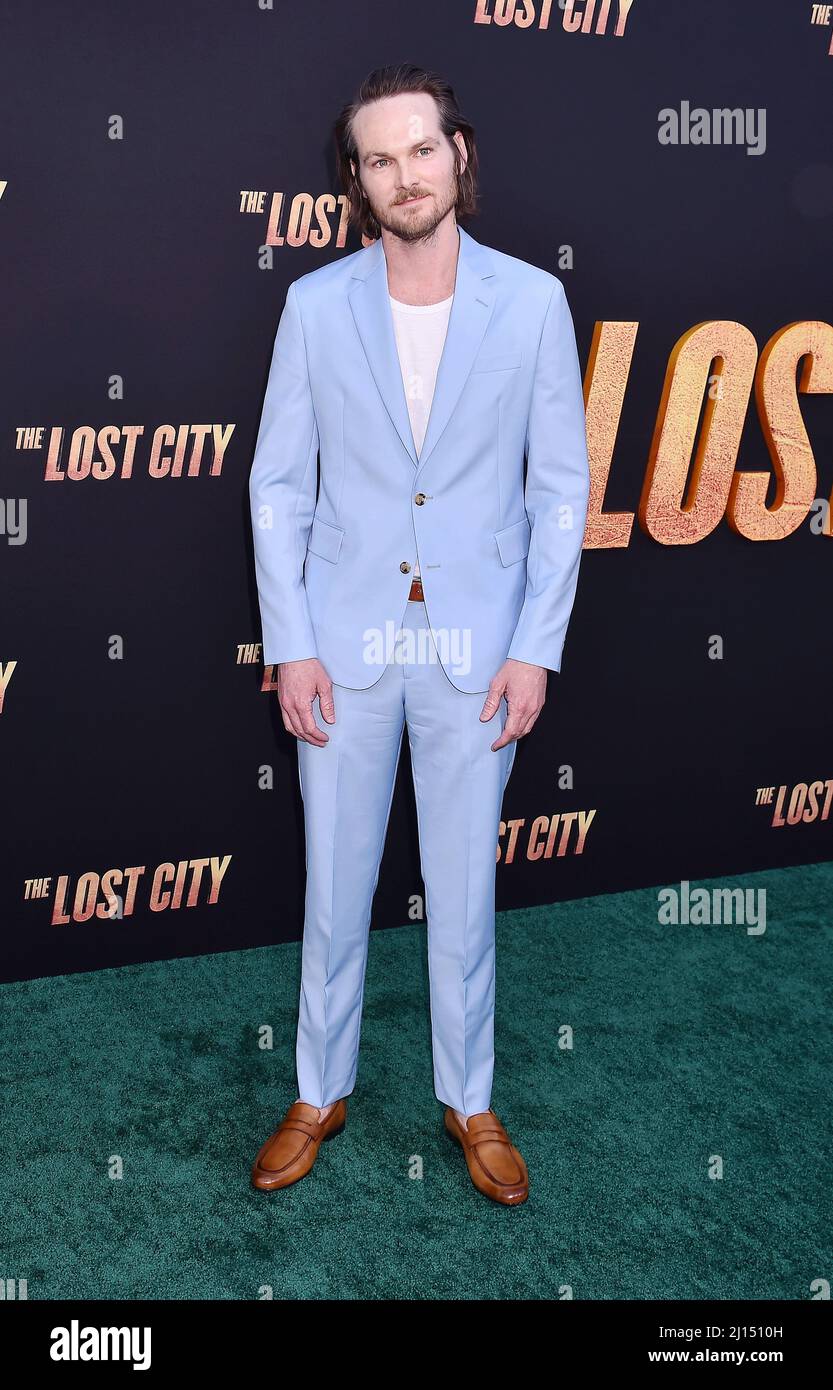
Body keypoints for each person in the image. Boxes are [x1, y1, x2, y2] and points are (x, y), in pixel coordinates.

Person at [248, 63, 590, 1204]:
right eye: (379, 158)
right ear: (356, 179)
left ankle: (469, 1097)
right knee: (333, 884)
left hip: (476, 646)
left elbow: (557, 490)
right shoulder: (312, 305)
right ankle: (317, 1086)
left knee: (462, 884)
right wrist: (289, 641)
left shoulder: (532, 302)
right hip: (342, 645)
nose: (405, 174)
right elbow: (277, 488)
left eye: (421, 149)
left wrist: (533, 645)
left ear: (459, 156)